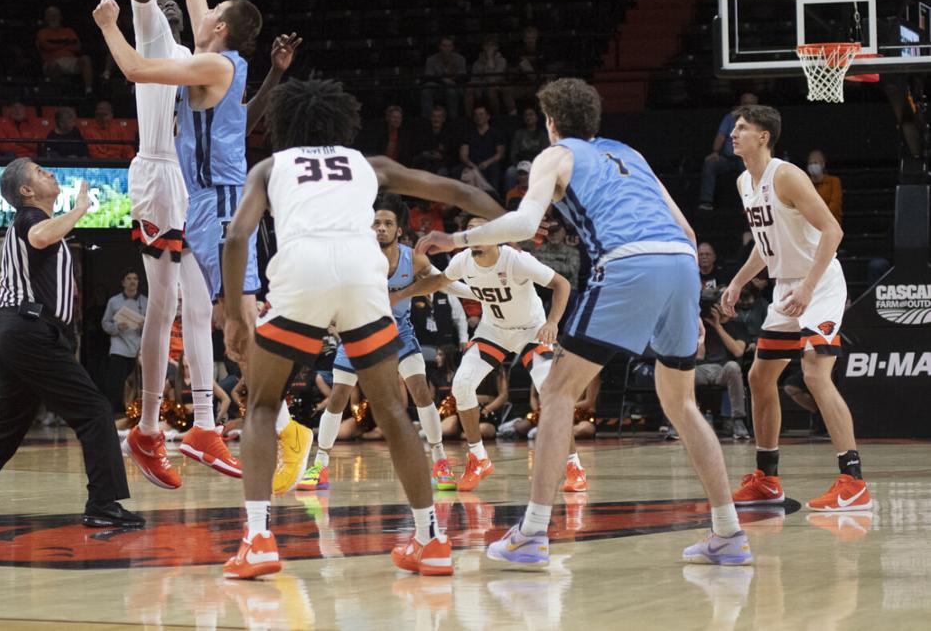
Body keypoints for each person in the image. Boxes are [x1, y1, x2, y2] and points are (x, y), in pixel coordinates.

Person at [417, 77, 751, 568]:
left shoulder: (556, 155)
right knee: (681, 404)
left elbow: (526, 226)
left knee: (555, 392)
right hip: (679, 262)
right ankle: (728, 533)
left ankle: (531, 534)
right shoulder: (629, 153)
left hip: (629, 262)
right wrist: (686, 306)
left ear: (551, 123)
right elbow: (685, 229)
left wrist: (458, 239)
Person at [218, 77, 506, 580]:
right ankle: (430, 541)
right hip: (360, 273)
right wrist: (514, 221)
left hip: (302, 273)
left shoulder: (270, 166)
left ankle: (259, 538)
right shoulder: (368, 165)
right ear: (342, 123)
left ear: (286, 125)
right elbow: (454, 189)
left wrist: (231, 312)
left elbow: (237, 235)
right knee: (394, 410)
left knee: (263, 406)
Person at [91, 0, 304, 490]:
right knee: (180, 308)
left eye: (201, 10)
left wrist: (109, 33)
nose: (190, 5)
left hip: (195, 187)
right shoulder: (182, 43)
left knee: (195, 308)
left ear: (212, 25)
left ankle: (189, 423)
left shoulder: (199, 59)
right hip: (171, 178)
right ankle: (166, 424)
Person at [0, 160, 144, 530]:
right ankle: (103, 504)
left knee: (8, 427)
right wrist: (81, 208)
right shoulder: (28, 218)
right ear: (26, 191)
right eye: (41, 172)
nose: (51, 174)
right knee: (95, 412)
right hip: (27, 330)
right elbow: (41, 237)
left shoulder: (36, 223)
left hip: (20, 332)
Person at [719, 105, 870, 513]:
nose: (733, 134)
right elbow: (767, 247)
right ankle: (767, 479)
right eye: (734, 128)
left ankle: (853, 482)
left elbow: (832, 231)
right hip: (788, 287)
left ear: (763, 136)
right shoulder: (742, 182)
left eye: (741, 128)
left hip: (818, 284)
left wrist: (806, 288)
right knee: (759, 376)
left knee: (814, 373)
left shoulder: (785, 175)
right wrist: (736, 282)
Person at [296, 194, 483, 494]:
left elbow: (444, 282)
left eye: (387, 223)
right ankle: (319, 466)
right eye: (376, 223)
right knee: (338, 397)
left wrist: (480, 294)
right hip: (360, 332)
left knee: (421, 391)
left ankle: (439, 461)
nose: (380, 228)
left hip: (399, 335)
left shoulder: (415, 260)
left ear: (399, 230)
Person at [425, 214, 579, 494]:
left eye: (480, 231)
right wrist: (418, 277)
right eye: (468, 232)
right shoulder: (461, 261)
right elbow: (450, 286)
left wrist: (553, 322)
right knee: (461, 385)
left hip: (531, 330)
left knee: (550, 393)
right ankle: (478, 458)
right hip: (493, 331)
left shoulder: (516, 259)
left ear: (495, 236)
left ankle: (574, 465)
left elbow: (562, 285)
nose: (473, 237)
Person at [697, 296, 750, 440]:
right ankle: (676, 422)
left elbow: (738, 351)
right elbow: (699, 356)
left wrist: (718, 326)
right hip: (701, 369)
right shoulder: (700, 325)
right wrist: (701, 329)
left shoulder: (737, 325)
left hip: (723, 370)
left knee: (733, 366)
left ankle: (738, 421)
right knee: (681, 371)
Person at [99, 269, 146, 419]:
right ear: (123, 282)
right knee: (115, 383)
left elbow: (153, 324)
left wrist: (144, 325)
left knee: (138, 383)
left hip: (138, 349)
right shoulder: (114, 301)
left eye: (135, 278)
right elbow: (105, 323)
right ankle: (115, 413)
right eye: (129, 279)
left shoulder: (145, 301)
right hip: (119, 347)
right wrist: (117, 327)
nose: (133, 282)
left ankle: (136, 412)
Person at [699, 92, 757, 210]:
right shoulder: (730, 117)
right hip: (727, 158)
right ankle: (706, 202)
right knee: (710, 163)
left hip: (747, 158)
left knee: (748, 167)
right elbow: (721, 136)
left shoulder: (760, 120)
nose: (747, 106)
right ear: (740, 104)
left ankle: (749, 205)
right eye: (745, 103)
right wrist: (715, 152)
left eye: (751, 103)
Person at [36, 5, 95, 94]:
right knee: (53, 66)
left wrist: (56, 43)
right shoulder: (42, 32)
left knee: (86, 59)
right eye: (51, 16)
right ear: (46, 18)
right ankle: (56, 92)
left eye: (56, 15)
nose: (54, 18)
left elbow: (77, 46)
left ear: (60, 17)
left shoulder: (68, 31)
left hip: (70, 60)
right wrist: (66, 43)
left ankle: (88, 91)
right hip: (52, 60)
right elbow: (46, 46)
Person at [459, 105, 506, 193]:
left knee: (494, 169)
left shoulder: (496, 133)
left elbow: (500, 153)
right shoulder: (468, 133)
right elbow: (463, 155)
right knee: (459, 170)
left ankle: (493, 197)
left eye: (481, 114)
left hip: (489, 164)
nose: (478, 117)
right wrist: (472, 165)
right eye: (476, 115)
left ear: (488, 116)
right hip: (472, 164)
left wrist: (487, 163)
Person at [421, 37, 467, 119]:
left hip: (454, 87)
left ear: (453, 47)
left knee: (451, 91)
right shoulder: (431, 60)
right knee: (426, 89)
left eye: (449, 46)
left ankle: (453, 120)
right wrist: (444, 80)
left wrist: (451, 81)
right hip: (438, 88)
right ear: (439, 47)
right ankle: (427, 119)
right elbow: (429, 77)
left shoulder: (460, 59)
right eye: (444, 46)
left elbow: (462, 77)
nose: (447, 48)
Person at [806, 149, 843, 224]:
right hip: (811, 223)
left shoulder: (834, 181)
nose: (812, 165)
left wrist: (821, 218)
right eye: (810, 163)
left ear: (823, 164)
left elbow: (835, 204)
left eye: (815, 162)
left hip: (831, 222)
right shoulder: (806, 183)